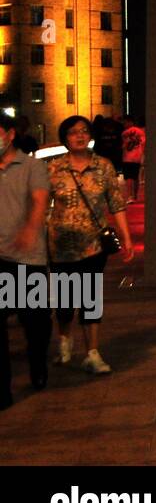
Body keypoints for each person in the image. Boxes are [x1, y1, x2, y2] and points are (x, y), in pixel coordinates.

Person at [47, 116, 135, 374]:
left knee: (89, 297)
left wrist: (126, 237)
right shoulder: (53, 169)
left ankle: (92, 353)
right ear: (65, 138)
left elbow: (116, 204)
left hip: (93, 244)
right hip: (61, 246)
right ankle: (65, 342)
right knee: (65, 300)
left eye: (84, 131)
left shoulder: (103, 167)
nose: (80, 136)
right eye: (73, 132)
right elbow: (39, 204)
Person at [0, 114, 52, 410]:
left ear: (9, 134)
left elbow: (40, 200)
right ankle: (2, 390)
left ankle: (37, 364)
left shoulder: (33, 166)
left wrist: (30, 229)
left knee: (34, 322)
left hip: (26, 258)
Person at [121, 117, 146, 203]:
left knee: (129, 177)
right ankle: (135, 196)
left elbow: (122, 145)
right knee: (135, 177)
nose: (124, 124)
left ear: (129, 122)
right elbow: (143, 143)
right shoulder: (140, 132)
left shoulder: (124, 133)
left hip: (127, 157)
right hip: (137, 157)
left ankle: (129, 196)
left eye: (125, 122)